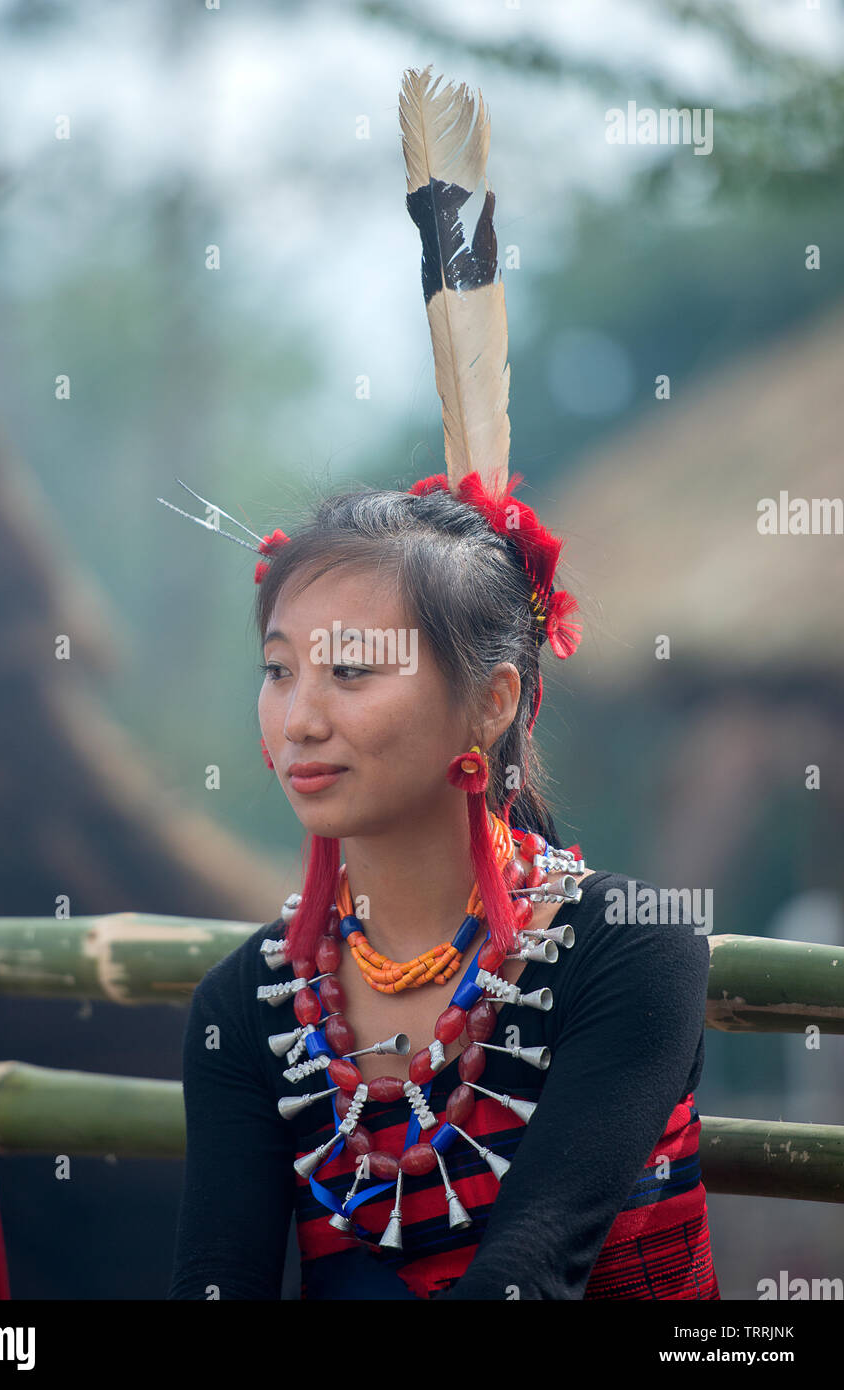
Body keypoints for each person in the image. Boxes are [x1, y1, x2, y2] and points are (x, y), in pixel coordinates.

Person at [163, 65, 719, 1300]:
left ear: (496, 702)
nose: (300, 714)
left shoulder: (628, 949)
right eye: (278, 670)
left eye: (353, 671)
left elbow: (527, 1278)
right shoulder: (247, 1004)